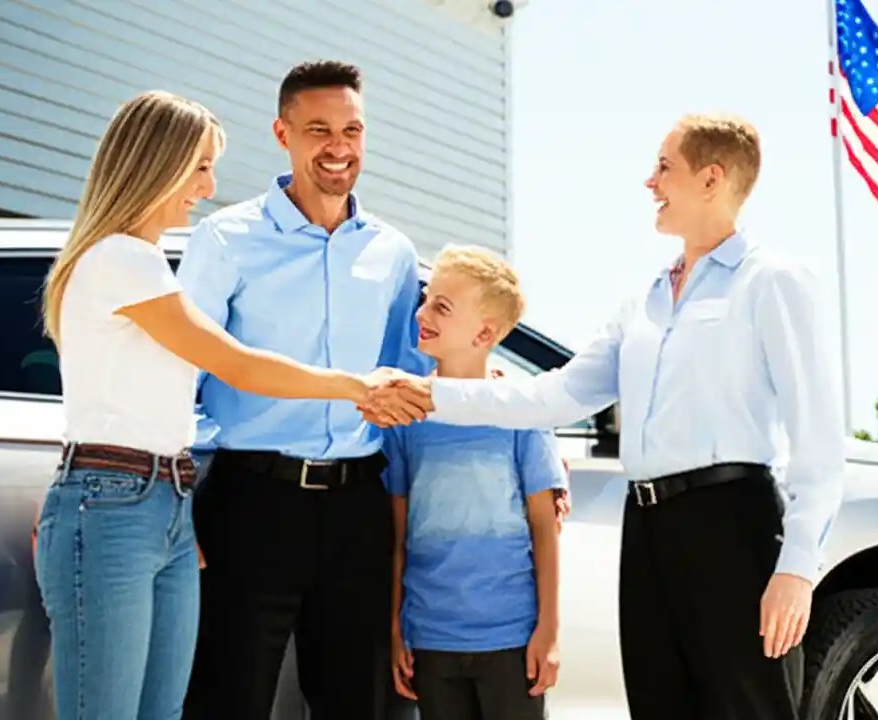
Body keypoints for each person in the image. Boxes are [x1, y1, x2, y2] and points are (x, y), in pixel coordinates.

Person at [363, 113, 847, 720]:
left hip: (732, 528)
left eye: (664, 167)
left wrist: (797, 568)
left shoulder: (771, 282)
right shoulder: (643, 300)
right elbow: (553, 397)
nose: (650, 182)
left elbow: (819, 444)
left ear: (712, 179)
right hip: (645, 530)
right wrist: (428, 395)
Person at [33, 90, 420, 720]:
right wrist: (355, 387)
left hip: (165, 499)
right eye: (199, 167)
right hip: (113, 500)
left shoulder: (150, 264)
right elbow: (233, 363)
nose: (208, 188)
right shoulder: (121, 262)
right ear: (154, 164)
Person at [175, 60, 434, 720]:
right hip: (250, 505)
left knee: (364, 705)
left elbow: (410, 380)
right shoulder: (225, 239)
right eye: (318, 129)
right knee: (228, 700)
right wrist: (177, 510)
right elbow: (179, 377)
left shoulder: (394, 253)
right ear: (282, 133)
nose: (338, 147)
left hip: (359, 510)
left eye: (352, 129)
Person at [385, 246, 566, 720]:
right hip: (431, 636)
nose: (422, 312)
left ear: (484, 333)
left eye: (442, 307)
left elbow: (544, 528)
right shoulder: (409, 416)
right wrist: (395, 628)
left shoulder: (520, 412)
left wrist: (548, 630)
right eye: (426, 300)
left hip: (510, 638)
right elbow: (398, 535)